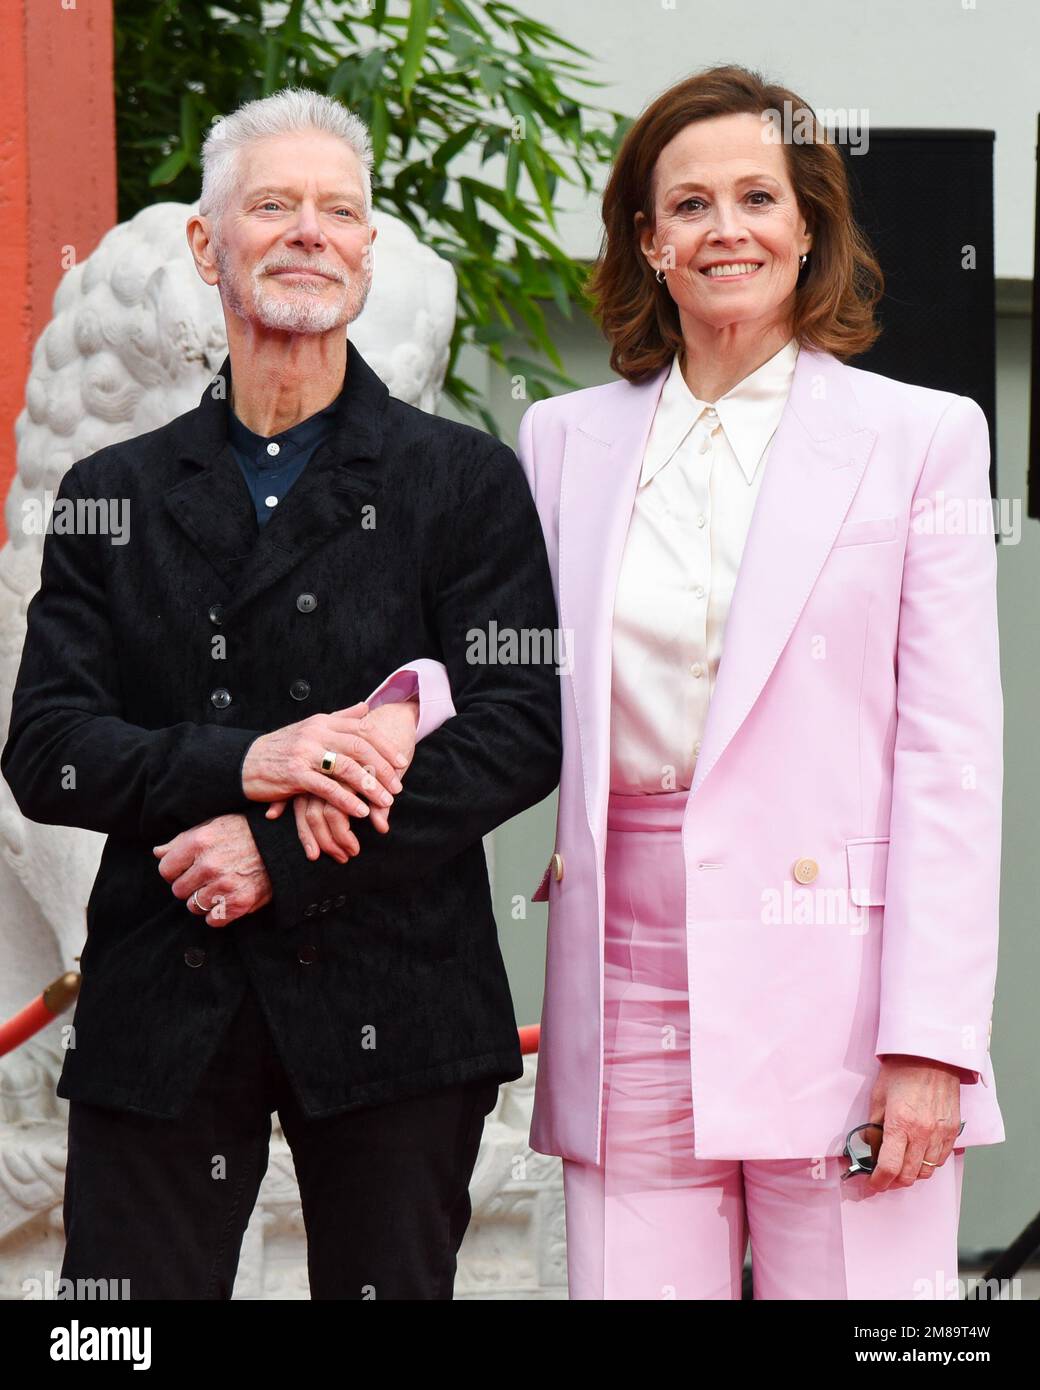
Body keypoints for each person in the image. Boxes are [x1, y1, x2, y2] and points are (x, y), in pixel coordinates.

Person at [0, 86, 561, 1300]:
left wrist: (279, 855)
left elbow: (519, 733)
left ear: (365, 252)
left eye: (338, 210)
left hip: (398, 998)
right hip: (163, 1000)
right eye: (271, 204)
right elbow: (46, 748)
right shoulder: (112, 490)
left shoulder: (461, 481)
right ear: (207, 245)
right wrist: (247, 761)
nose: (309, 230)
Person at [514, 64, 1004, 1299]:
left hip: (840, 993)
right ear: (646, 240)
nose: (723, 228)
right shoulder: (561, 441)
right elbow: (493, 667)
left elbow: (949, 761)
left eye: (755, 197)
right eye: (687, 205)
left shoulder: (920, 438)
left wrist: (928, 1046)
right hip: (622, 977)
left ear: (805, 227)